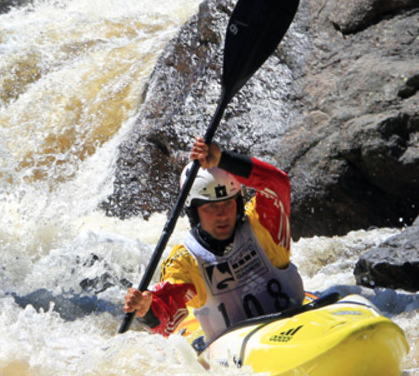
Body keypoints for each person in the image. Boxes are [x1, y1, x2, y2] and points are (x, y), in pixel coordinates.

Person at [122, 137, 304, 343]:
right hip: (239, 350)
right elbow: (167, 313)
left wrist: (224, 160)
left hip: (296, 324)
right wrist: (147, 310)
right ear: (194, 213)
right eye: (210, 207)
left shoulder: (263, 226)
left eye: (227, 203)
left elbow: (277, 183)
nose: (222, 214)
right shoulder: (186, 261)